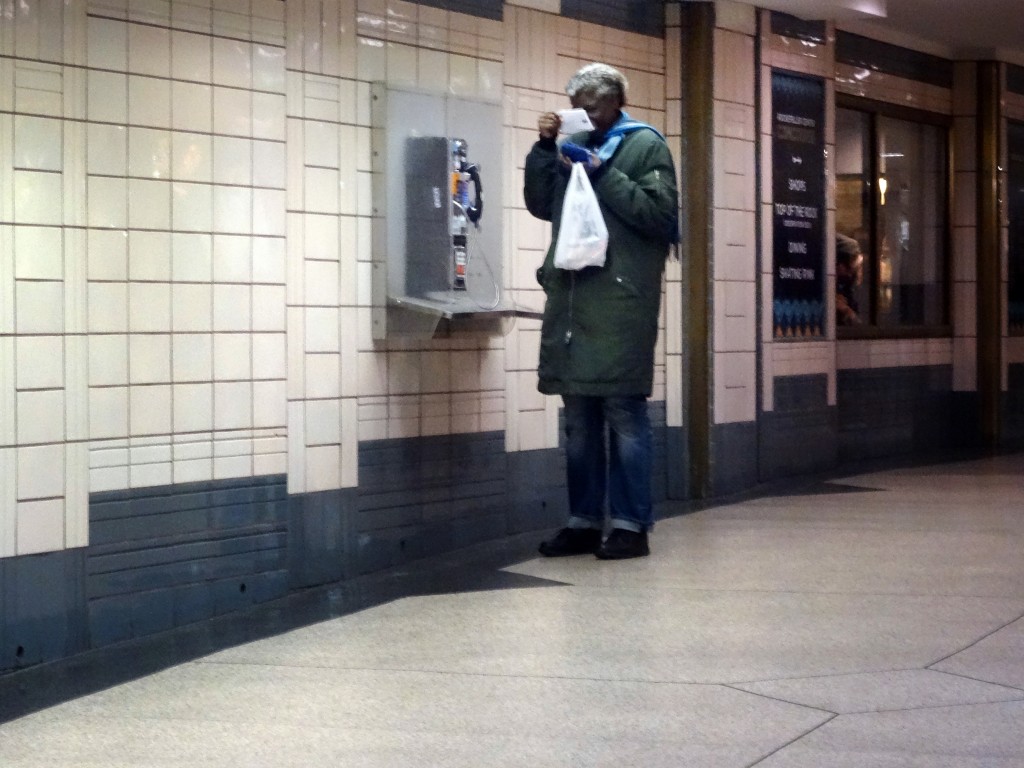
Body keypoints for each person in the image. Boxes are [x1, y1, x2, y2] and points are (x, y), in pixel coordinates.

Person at [523, 63, 679, 560]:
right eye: (578, 106)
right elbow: (541, 204)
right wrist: (546, 150)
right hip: (573, 297)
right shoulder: (570, 146)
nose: (585, 113)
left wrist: (602, 172)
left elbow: (660, 216)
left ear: (617, 101)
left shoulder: (644, 145)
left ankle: (632, 524)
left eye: (594, 104)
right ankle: (584, 521)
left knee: (623, 411)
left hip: (621, 298)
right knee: (579, 417)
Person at [836, 233, 864, 325]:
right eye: (857, 267)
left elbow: (859, 327)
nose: (860, 272)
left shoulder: (849, 286)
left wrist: (847, 311)